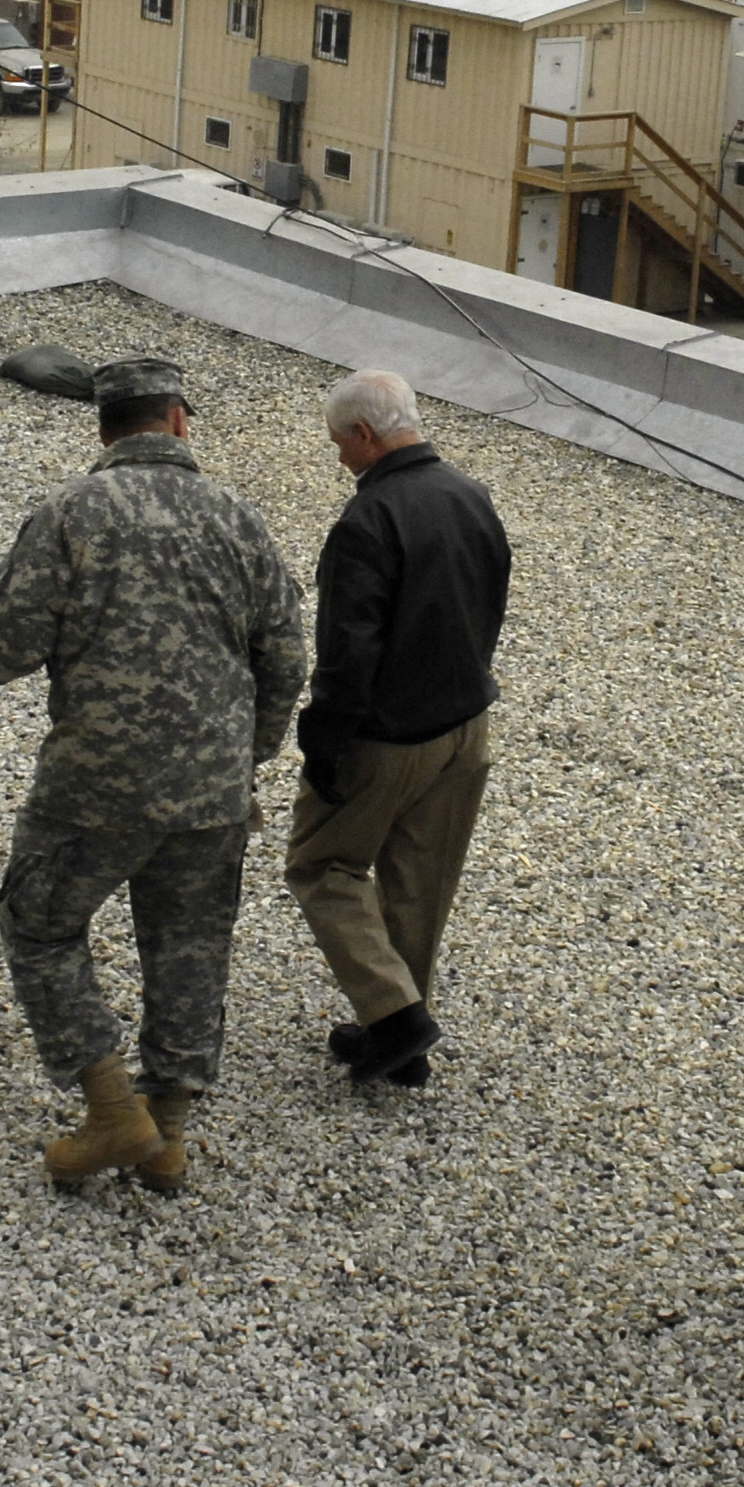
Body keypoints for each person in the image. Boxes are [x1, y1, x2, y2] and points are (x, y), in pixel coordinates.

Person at [0, 354, 306, 1194]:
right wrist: (247, 754)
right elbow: (286, 657)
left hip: (94, 786)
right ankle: (168, 1136)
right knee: (191, 945)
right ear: (179, 421)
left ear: (104, 428)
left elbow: (4, 654)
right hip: (212, 791)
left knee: (39, 925)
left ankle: (111, 1107)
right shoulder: (239, 518)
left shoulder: (68, 514)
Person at [283, 370, 512, 1089]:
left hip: (388, 736)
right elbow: (492, 605)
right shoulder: (472, 496)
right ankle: (401, 1044)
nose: (339, 457)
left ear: (364, 434)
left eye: (339, 443)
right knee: (419, 883)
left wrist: (323, 744)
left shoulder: (368, 520)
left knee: (322, 864)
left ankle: (396, 1018)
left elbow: (347, 652)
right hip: (466, 726)